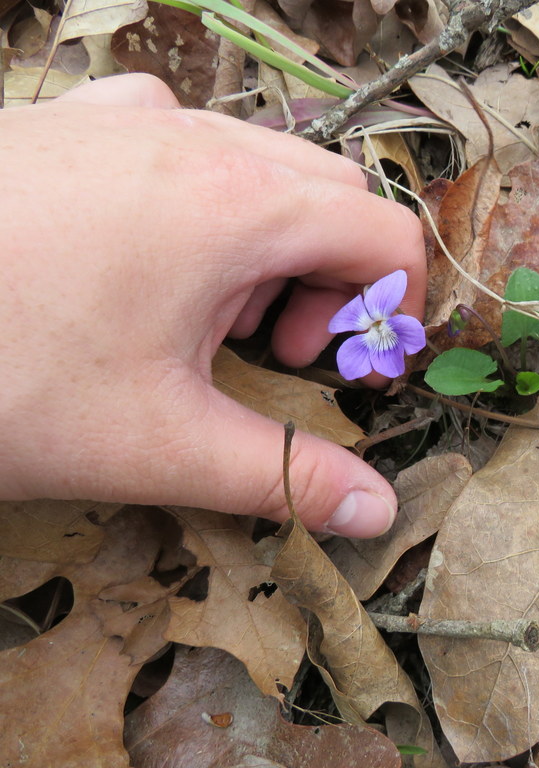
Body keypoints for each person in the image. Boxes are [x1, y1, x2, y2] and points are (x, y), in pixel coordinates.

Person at [0, 73, 426, 538]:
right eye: (375, 324)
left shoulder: (372, 324)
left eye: (378, 326)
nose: (380, 329)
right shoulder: (359, 322)